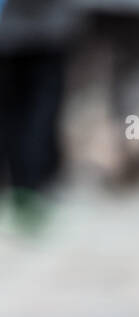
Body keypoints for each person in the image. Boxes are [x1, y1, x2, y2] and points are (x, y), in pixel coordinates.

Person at [0, 0, 80, 220]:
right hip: (48, 30)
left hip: (12, 31)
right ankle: (32, 182)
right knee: (40, 109)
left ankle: (21, 182)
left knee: (15, 110)